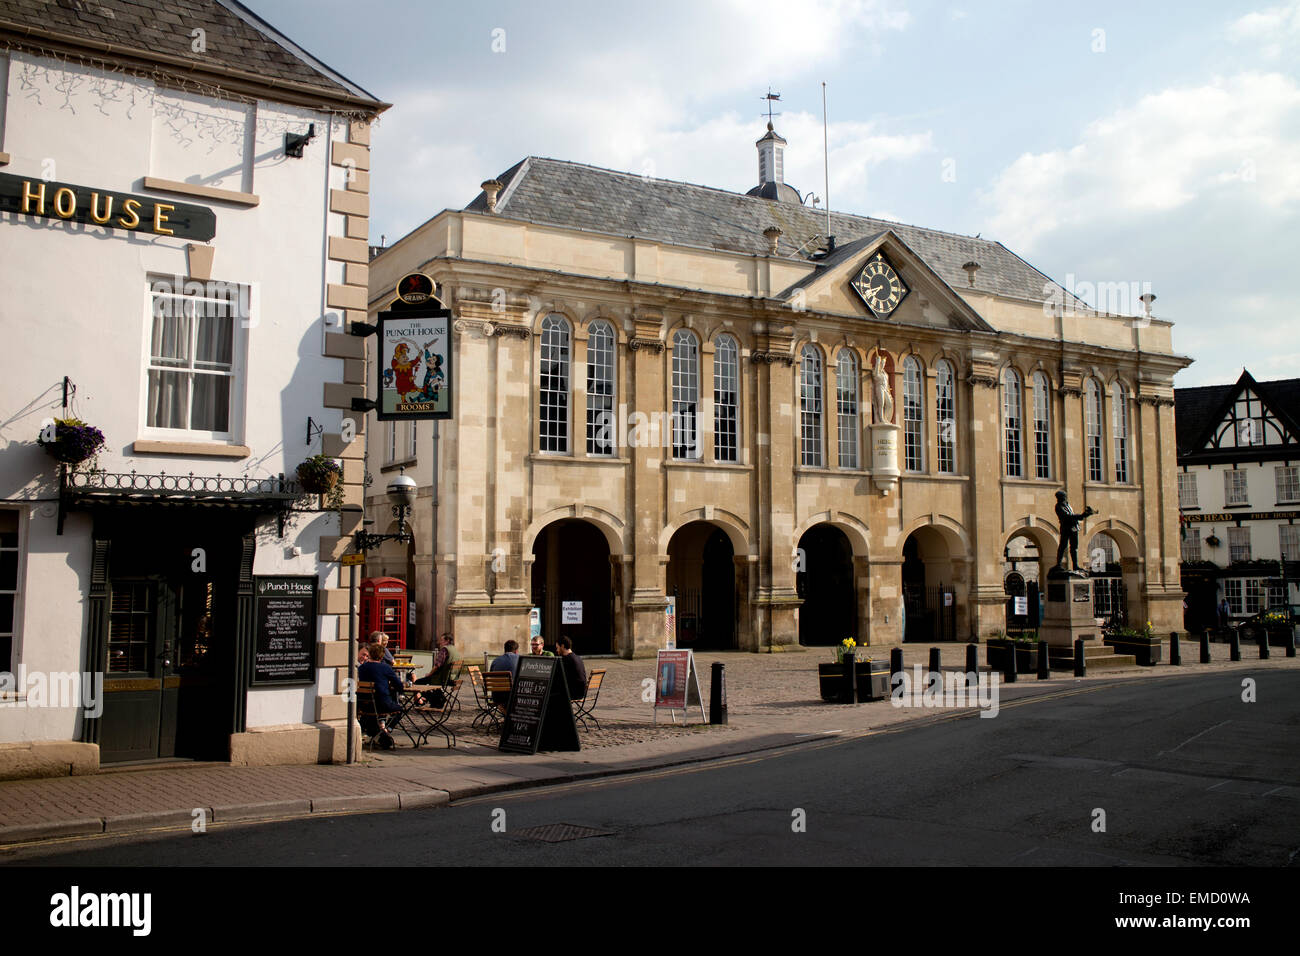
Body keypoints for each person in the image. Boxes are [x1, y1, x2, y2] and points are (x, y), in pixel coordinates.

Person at [358, 642, 405, 749]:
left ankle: (378, 733)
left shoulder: (362, 668)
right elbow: (399, 686)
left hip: (365, 705)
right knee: (400, 709)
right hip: (382, 704)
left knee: (374, 711)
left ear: (369, 654)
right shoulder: (386, 668)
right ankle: (386, 730)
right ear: (382, 656)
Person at [1053, 491, 1096, 572]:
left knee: (1074, 547)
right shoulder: (1058, 506)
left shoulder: (1067, 505)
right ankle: (1058, 564)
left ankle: (1075, 566)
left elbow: (1072, 515)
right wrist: (1082, 515)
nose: (1062, 498)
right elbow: (1067, 516)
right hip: (1066, 528)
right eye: (1061, 497)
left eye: (1063, 497)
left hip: (1074, 528)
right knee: (1063, 546)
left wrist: (1085, 514)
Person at [554, 635, 587, 700]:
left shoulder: (566, 660)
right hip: (581, 691)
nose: (556, 650)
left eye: (557, 647)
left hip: (573, 693)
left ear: (562, 646)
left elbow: (558, 677)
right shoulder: (577, 657)